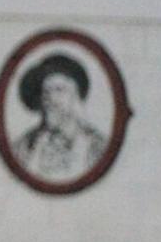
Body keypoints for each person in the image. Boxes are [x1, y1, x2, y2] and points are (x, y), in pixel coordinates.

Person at [11, 54, 106, 182]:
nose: (51, 98)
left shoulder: (98, 148)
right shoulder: (24, 147)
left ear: (76, 97)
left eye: (59, 90)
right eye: (46, 92)